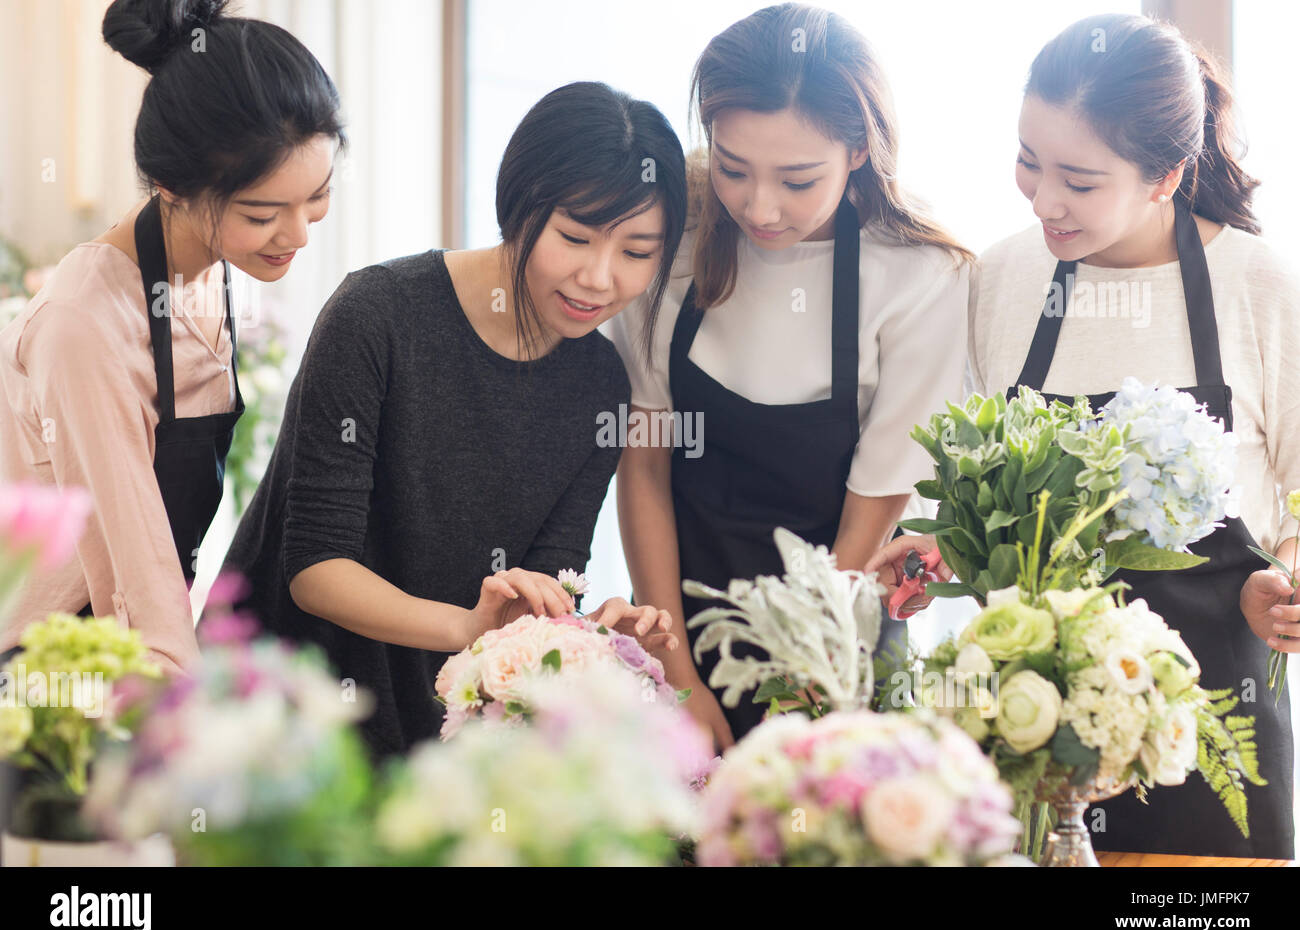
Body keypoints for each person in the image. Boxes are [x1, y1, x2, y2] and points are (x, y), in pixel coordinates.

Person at [871, 13, 1296, 859]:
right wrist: (943, 546)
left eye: (1079, 178)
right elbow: (989, 492)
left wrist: (1284, 582)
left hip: (1215, 739)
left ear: (1166, 175)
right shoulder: (1001, 278)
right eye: (1029, 160)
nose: (1044, 200)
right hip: (1029, 739)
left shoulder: (1256, 285)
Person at [217, 82, 689, 760]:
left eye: (638, 252)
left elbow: (538, 593)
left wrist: (594, 640)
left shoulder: (601, 385)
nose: (599, 277)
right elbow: (316, 567)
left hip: (440, 724)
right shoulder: (378, 315)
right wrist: (465, 625)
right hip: (287, 709)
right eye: (575, 237)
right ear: (518, 206)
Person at [607, 3, 971, 748]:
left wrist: (806, 692)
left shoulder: (917, 275)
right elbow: (643, 468)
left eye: (798, 179)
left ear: (861, 151)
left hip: (840, 640)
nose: (760, 208)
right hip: (681, 627)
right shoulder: (669, 237)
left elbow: (873, 507)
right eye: (733, 169)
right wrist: (677, 677)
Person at [0, 0, 342, 675]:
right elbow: (136, 579)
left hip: (134, 643)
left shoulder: (213, 267)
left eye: (318, 196)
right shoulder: (85, 325)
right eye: (263, 213)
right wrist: (185, 718)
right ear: (171, 187)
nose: (299, 234)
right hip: (48, 673)